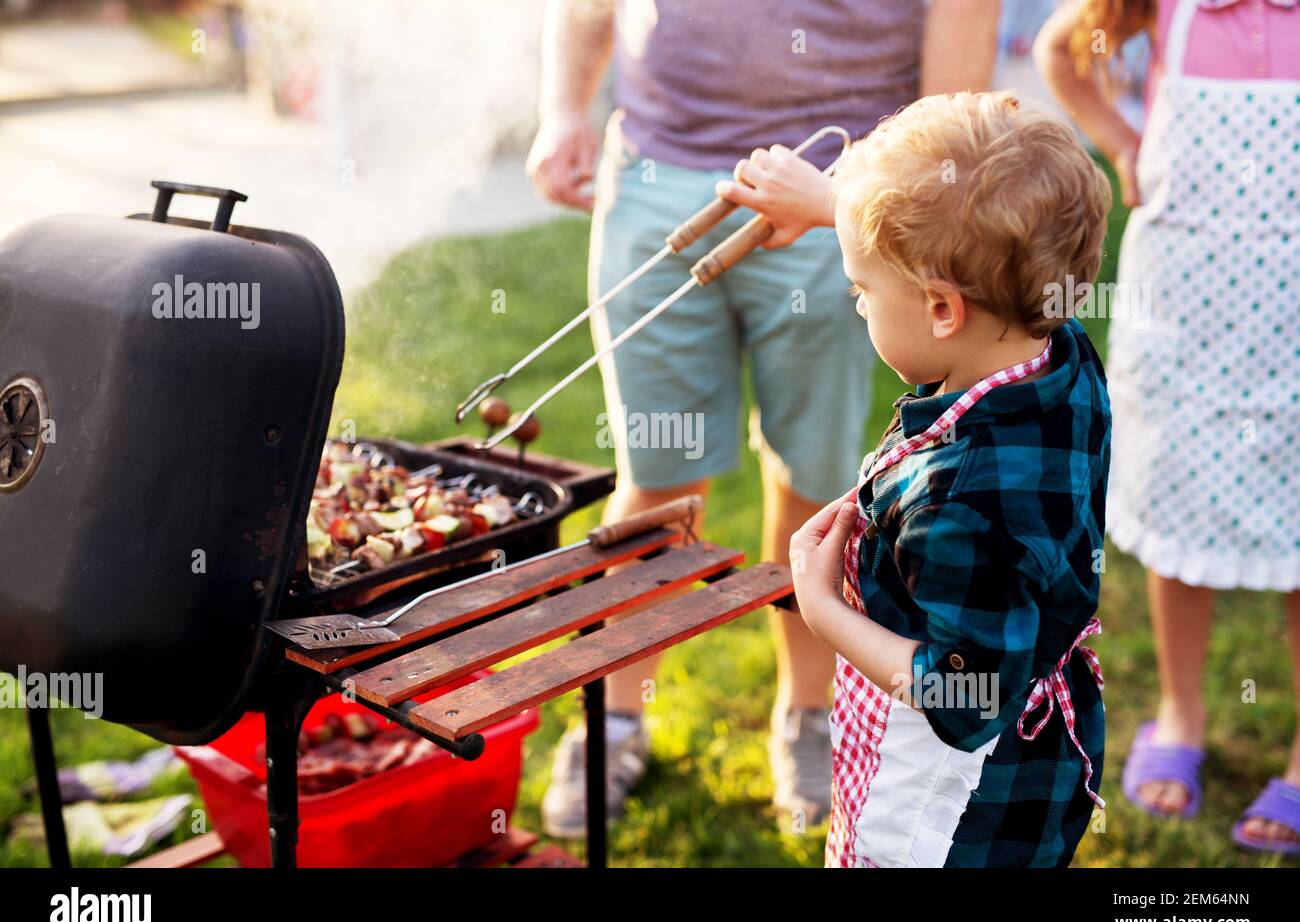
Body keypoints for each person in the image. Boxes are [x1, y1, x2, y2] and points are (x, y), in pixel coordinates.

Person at [525, 0, 1001, 837]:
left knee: (817, 479)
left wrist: (862, 201)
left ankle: (809, 715)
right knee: (658, 473)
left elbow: (955, 96)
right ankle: (616, 716)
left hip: (842, 193)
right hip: (654, 174)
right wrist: (565, 107)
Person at [763, 90, 1113, 865]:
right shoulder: (1055, 346)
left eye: (862, 291)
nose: (859, 306)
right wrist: (839, 207)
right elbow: (992, 242)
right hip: (1041, 753)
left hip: (950, 802)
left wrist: (823, 613)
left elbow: (970, 697)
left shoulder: (962, 498)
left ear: (942, 309)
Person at [1037, 0, 1300, 854]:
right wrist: (1122, 138)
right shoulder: (1169, 7)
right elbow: (1062, 51)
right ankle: (1181, 711)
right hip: (1190, 306)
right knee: (1185, 503)